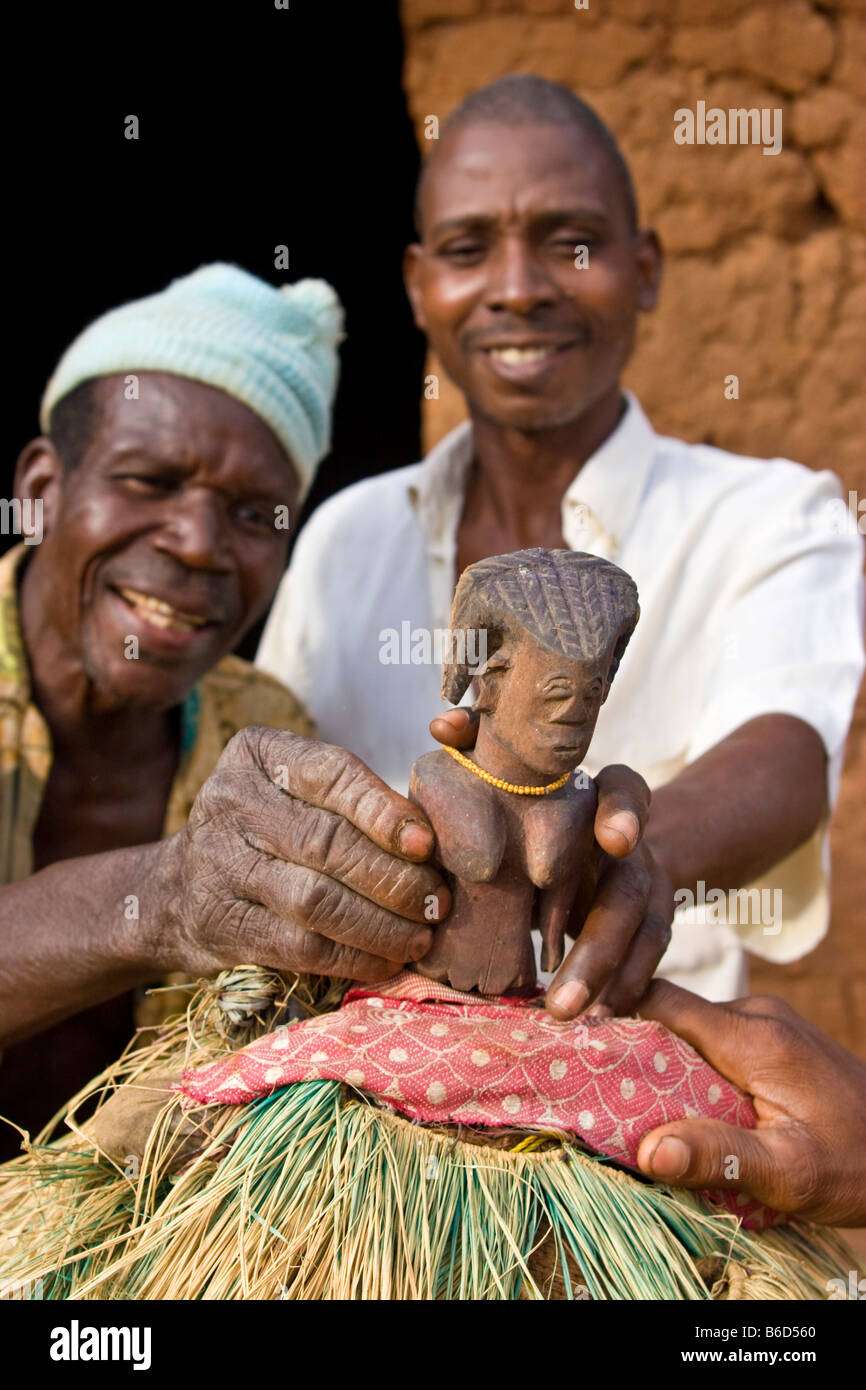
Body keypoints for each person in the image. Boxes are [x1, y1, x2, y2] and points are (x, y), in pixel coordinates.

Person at [257, 74, 865, 1014]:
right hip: (371, 1077)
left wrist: (621, 848)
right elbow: (274, 762)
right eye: (468, 250)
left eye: (570, 245)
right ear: (419, 289)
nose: (517, 289)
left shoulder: (774, 515)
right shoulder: (346, 538)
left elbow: (783, 760)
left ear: (647, 268)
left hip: (629, 1078)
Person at [0, 263, 342, 1151]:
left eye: (253, 516)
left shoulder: (267, 736)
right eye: (149, 480)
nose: (196, 544)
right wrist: (157, 898)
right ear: (40, 491)